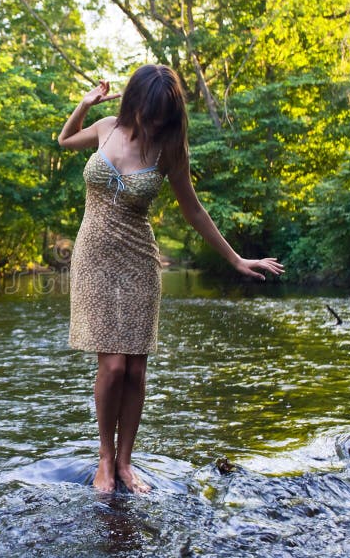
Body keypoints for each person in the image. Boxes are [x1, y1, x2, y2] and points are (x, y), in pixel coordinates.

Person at [57, 65, 284, 494]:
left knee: (136, 370)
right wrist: (84, 104)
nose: (156, 122)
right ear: (136, 102)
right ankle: (104, 459)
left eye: (164, 116)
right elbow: (65, 140)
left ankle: (125, 463)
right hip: (94, 257)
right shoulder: (106, 128)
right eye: (151, 112)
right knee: (112, 366)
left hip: (139, 260)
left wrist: (236, 259)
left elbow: (194, 210)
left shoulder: (168, 151)